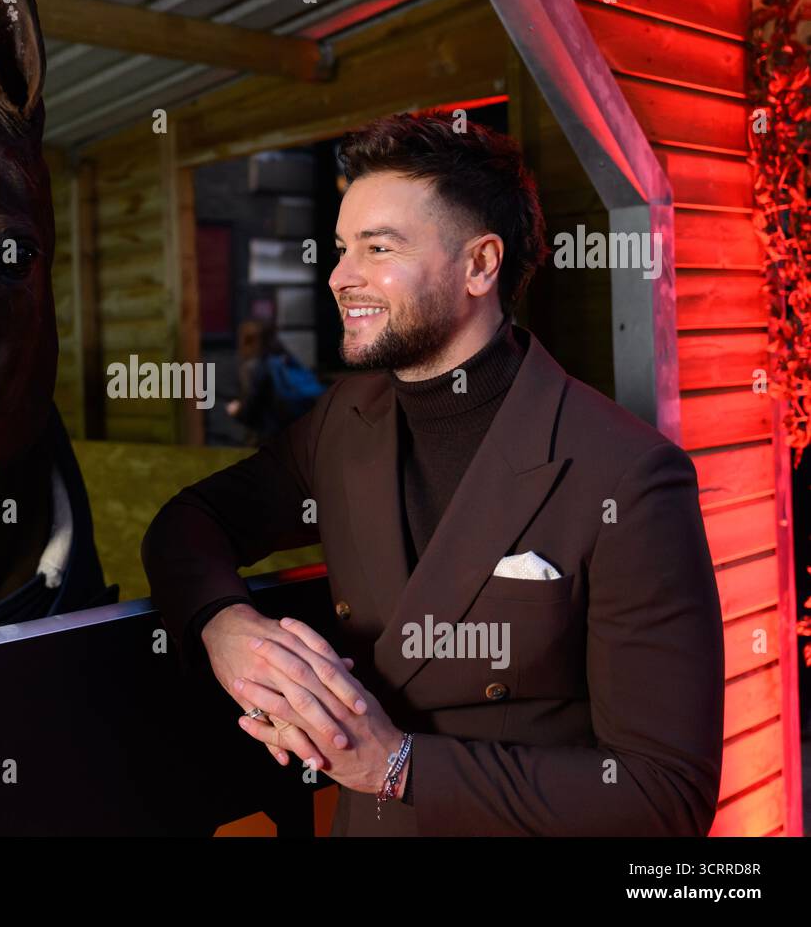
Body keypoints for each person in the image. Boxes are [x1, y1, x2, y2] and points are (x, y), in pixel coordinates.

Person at [141, 111, 724, 836]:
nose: (339, 276)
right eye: (342, 247)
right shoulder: (344, 419)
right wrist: (224, 627)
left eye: (378, 247)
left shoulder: (628, 474)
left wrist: (398, 764)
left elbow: (664, 795)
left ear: (480, 264)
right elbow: (191, 521)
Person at [225, 319, 324, 445]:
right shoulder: (285, 359)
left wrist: (237, 411)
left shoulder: (255, 367)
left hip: (270, 433)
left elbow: (252, 405)